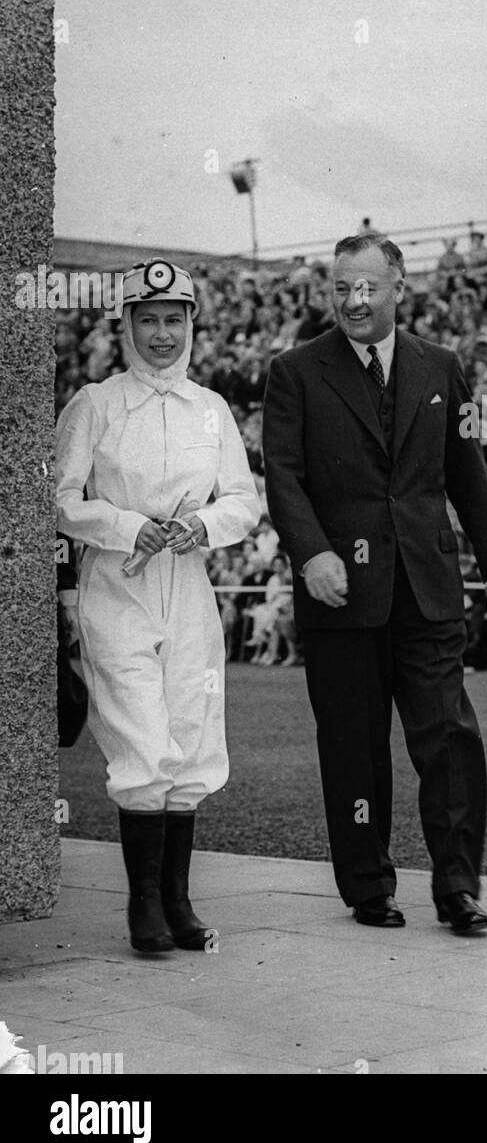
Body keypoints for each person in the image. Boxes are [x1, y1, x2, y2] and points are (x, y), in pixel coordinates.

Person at [262, 234, 487, 934]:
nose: (355, 301)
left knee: (449, 739)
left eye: (368, 287)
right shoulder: (296, 371)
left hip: (427, 586)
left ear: (399, 286)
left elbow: (466, 472)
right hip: (338, 592)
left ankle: (457, 888)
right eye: (342, 288)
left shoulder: (441, 365)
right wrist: (312, 554)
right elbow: (282, 476)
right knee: (353, 745)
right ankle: (369, 885)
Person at [55, 259, 261, 954]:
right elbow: (61, 501)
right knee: (142, 736)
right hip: (118, 584)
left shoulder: (212, 409)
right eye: (149, 320)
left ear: (191, 324)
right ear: (127, 325)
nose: (163, 334)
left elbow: (243, 500)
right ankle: (143, 903)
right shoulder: (95, 403)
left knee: (193, 734)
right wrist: (124, 526)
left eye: (175, 319)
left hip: (188, 583)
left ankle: (178, 897)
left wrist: (200, 526)